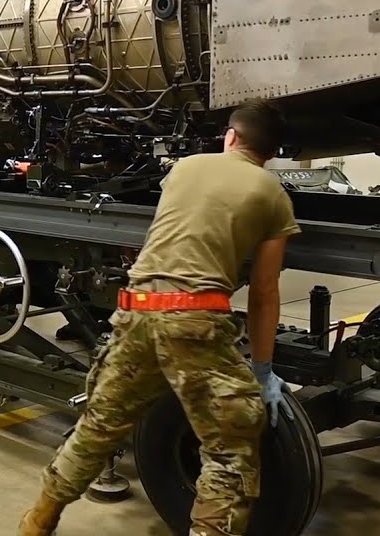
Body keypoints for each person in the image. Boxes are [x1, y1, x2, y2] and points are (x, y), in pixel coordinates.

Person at [18, 98, 302, 536]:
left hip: (135, 311)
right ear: (272, 153)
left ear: (231, 136)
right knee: (230, 451)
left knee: (99, 427)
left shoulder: (184, 169)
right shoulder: (272, 195)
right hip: (195, 321)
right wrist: (262, 370)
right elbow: (265, 290)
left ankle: (38, 520)